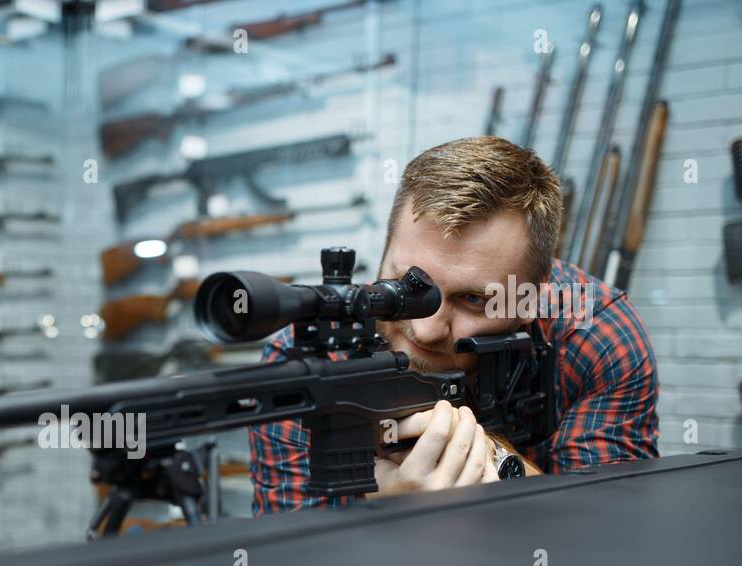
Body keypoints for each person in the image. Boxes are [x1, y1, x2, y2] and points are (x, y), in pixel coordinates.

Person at [249, 136, 659, 513]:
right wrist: (381, 514)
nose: (426, 331)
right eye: (408, 285)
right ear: (384, 252)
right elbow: (294, 564)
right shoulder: (312, 357)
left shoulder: (593, 335)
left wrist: (493, 465)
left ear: (533, 297)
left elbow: (607, 526)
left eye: (473, 299)